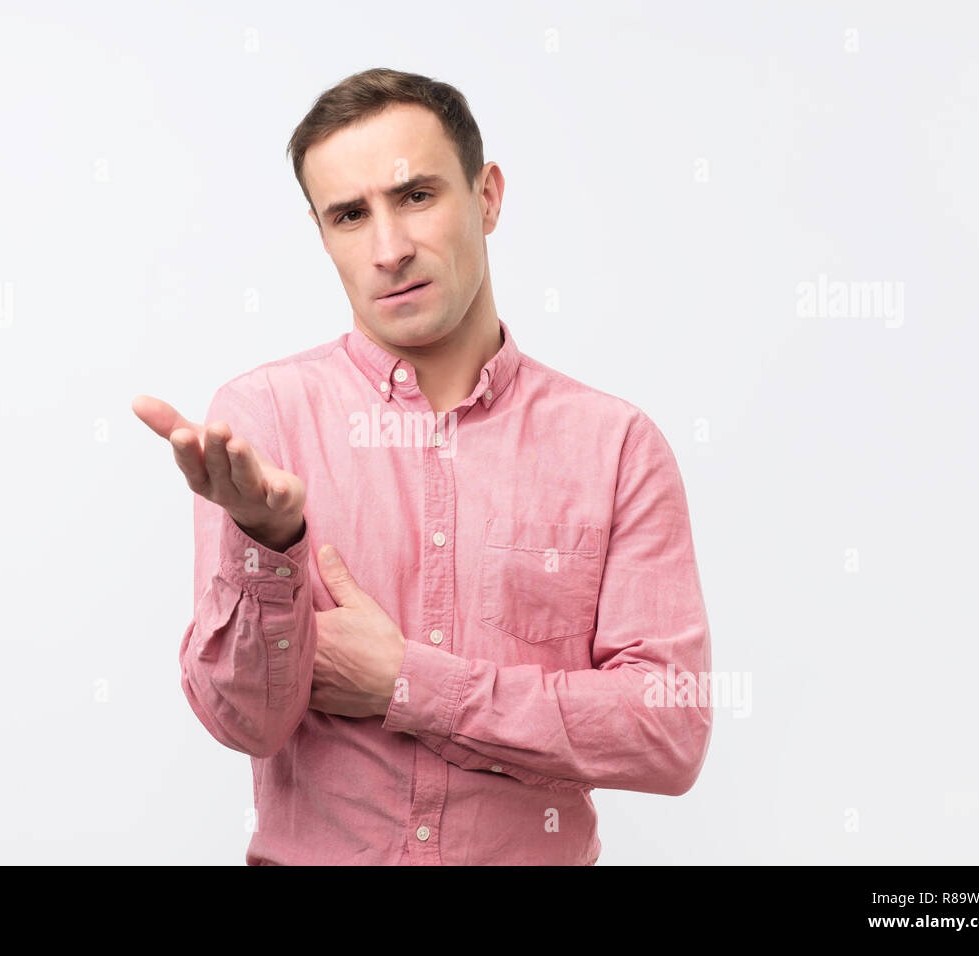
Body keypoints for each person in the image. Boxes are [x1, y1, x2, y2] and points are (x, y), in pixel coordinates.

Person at [132, 67, 712, 865]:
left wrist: (409, 681)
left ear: (488, 198)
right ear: (322, 234)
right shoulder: (261, 423)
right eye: (349, 214)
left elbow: (669, 730)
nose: (389, 249)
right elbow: (245, 723)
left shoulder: (615, 447)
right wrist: (269, 541)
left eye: (415, 197)